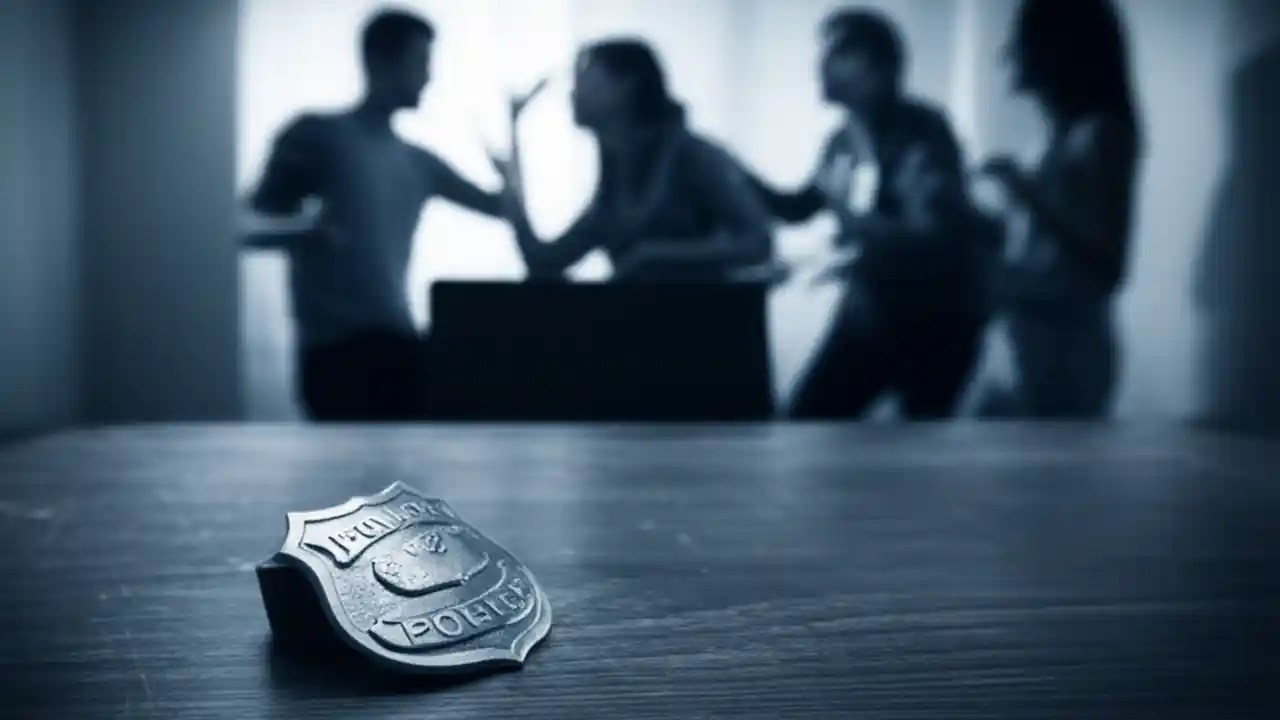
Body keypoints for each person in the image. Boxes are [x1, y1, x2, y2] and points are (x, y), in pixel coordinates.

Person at [244, 10, 504, 421]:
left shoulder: (419, 161)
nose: (428, 77)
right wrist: (306, 232)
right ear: (381, 61)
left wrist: (516, 138)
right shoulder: (316, 135)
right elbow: (249, 227)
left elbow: (502, 209)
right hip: (335, 351)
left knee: (405, 480)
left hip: (399, 344)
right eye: (420, 62)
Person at [747, 9, 988, 420]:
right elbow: (799, 207)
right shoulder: (841, 140)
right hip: (871, 314)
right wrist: (726, 170)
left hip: (935, 318)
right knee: (808, 422)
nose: (820, 66)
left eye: (838, 53)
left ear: (879, 66)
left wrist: (852, 230)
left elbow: (931, 234)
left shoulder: (923, 132)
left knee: (914, 447)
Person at [978, 0, 1142, 418]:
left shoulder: (1101, 135)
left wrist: (1028, 195)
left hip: (1066, 354)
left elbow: (1107, 265)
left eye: (1021, 43)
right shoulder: (1051, 141)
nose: (1007, 55)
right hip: (1026, 342)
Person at [495, 39, 774, 284]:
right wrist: (513, 149)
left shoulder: (693, 155)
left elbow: (758, 242)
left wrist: (654, 255)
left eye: (586, 79)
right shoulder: (614, 179)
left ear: (626, 85)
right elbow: (545, 259)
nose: (573, 93)